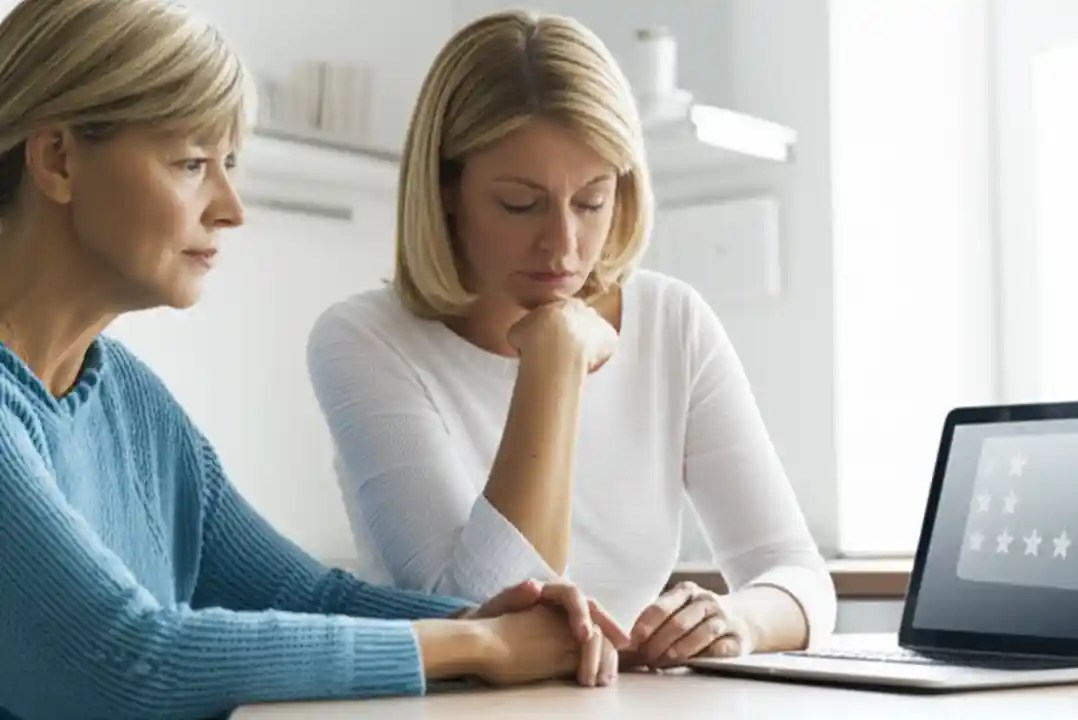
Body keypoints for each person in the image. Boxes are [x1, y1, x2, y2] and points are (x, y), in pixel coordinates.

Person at [0, 2, 627, 718]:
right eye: (191, 163)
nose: (232, 208)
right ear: (56, 159)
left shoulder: (130, 401)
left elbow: (308, 597)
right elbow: (128, 660)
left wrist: (491, 620)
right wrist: (477, 647)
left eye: (229, 164)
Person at [306, 9, 837, 673]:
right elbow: (477, 614)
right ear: (446, 190)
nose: (563, 245)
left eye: (591, 201)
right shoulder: (362, 340)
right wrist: (553, 363)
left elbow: (797, 573)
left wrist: (737, 621)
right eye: (520, 204)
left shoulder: (673, 320)